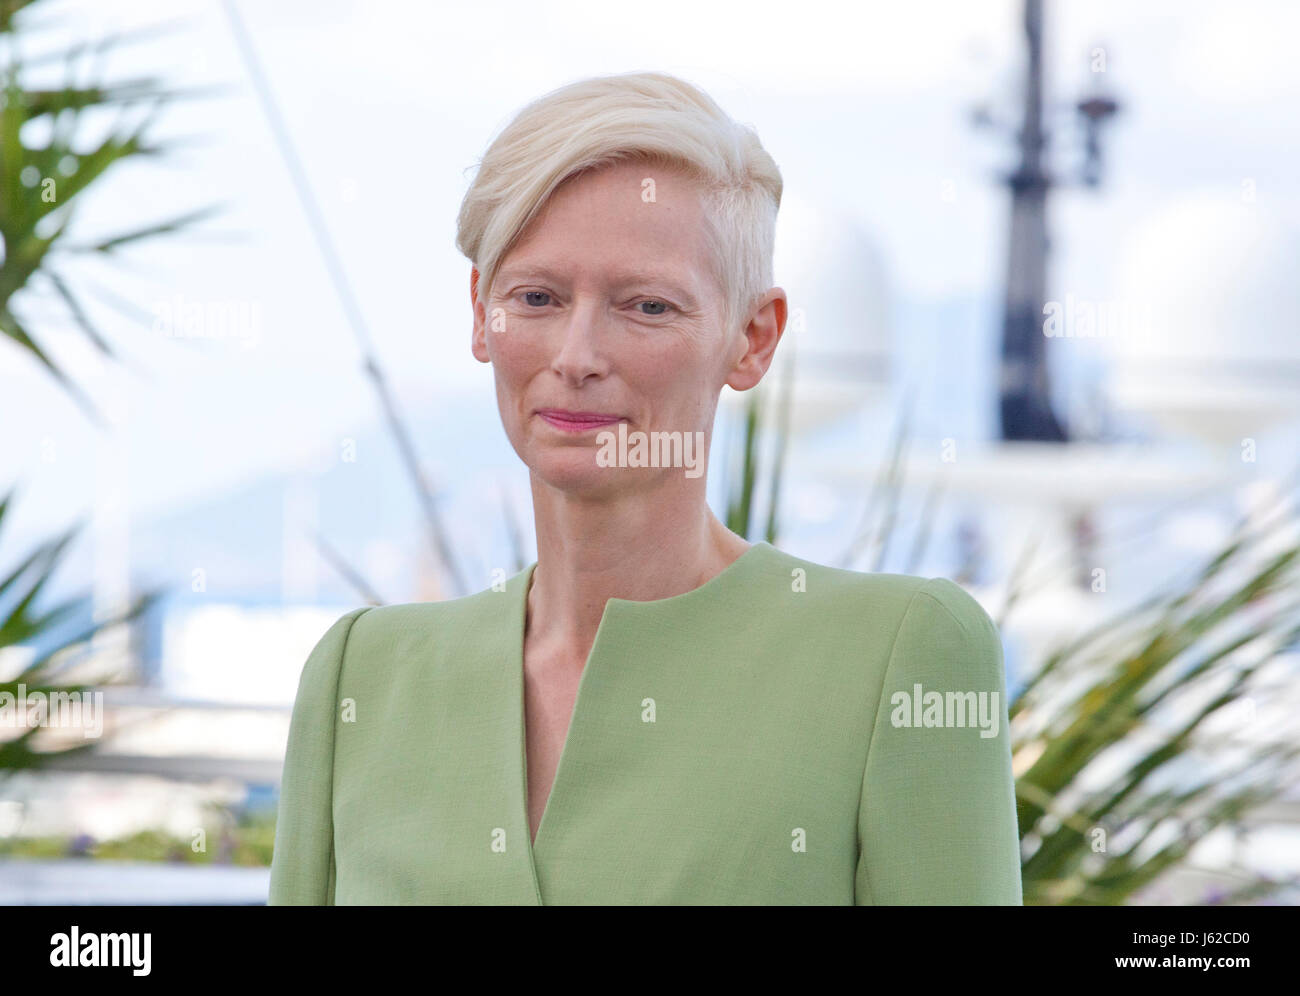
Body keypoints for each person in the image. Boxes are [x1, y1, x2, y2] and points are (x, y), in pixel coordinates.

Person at [268, 71, 1022, 905]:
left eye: (649, 307)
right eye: (538, 297)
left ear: (752, 338)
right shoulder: (360, 678)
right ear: (482, 312)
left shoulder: (903, 653)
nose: (578, 354)